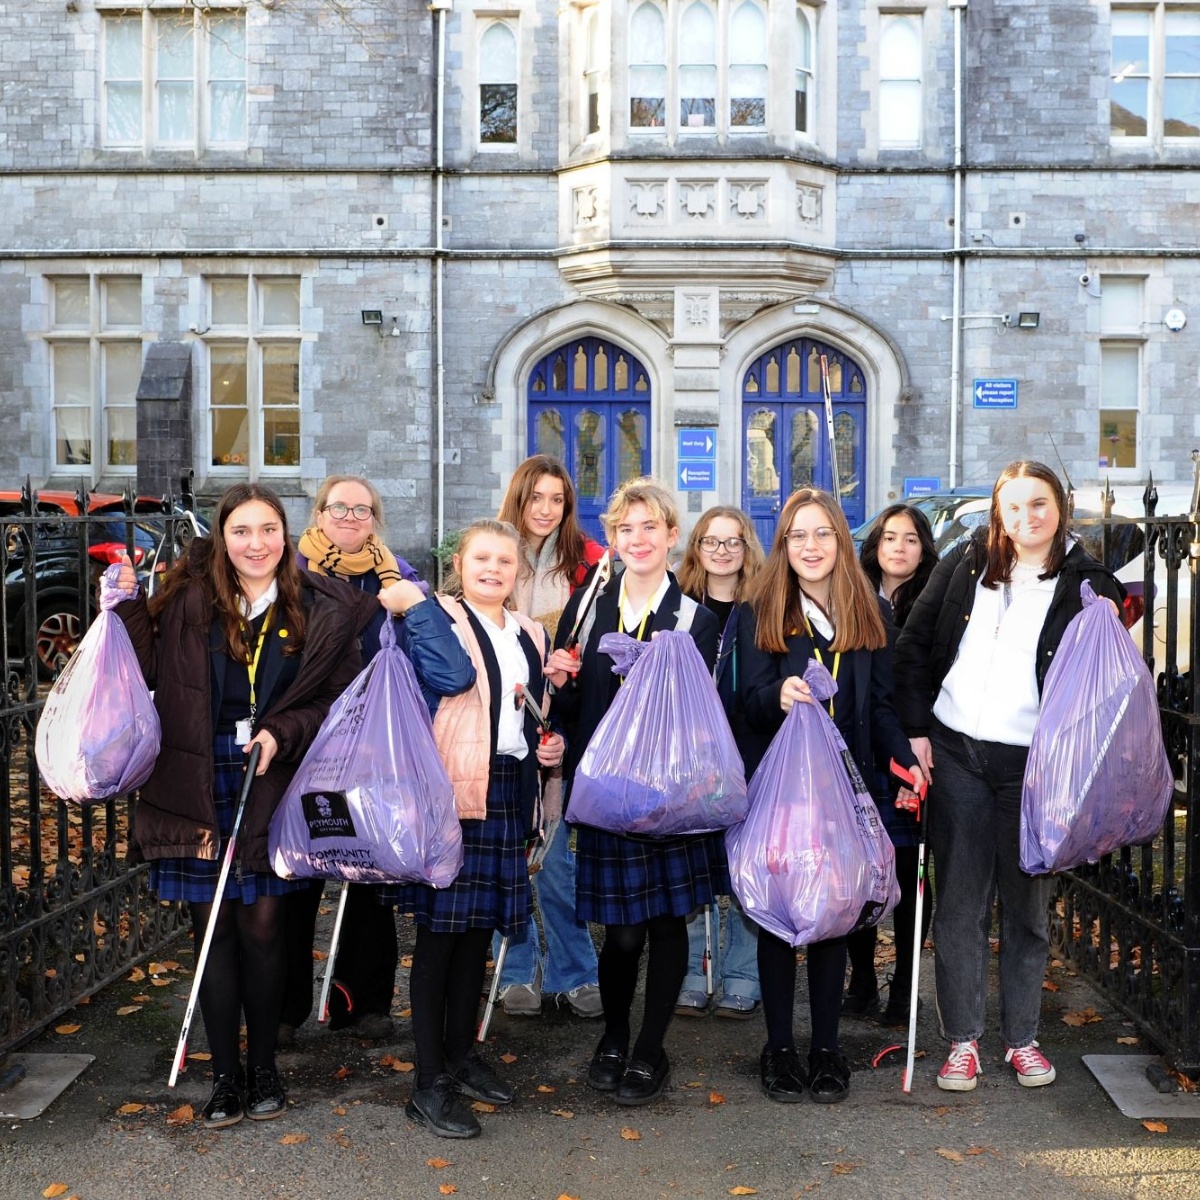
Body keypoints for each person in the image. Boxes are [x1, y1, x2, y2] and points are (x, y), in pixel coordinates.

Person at [104, 484, 379, 1129]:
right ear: (223, 538)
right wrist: (119, 608)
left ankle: (265, 1071)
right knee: (214, 936)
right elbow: (143, 666)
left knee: (264, 932)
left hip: (270, 780)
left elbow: (337, 703)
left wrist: (284, 733)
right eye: (241, 531)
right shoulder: (187, 598)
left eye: (268, 530)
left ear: (286, 536)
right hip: (195, 782)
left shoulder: (318, 607)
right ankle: (225, 1076)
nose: (256, 544)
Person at [893, 461, 1122, 1092]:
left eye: (1040, 503)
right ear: (998, 511)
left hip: (1033, 767)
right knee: (962, 904)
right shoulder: (966, 564)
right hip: (958, 751)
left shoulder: (1087, 582)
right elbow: (913, 648)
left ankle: (1022, 1039)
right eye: (1014, 505)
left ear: (1062, 506)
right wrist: (916, 730)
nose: (1028, 517)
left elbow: (1108, 678)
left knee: (1026, 909)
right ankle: (962, 1041)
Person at [738, 487, 924, 1104]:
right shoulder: (760, 609)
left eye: (822, 534)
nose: (811, 546)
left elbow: (880, 705)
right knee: (778, 919)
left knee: (832, 920)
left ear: (841, 541)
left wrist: (906, 760)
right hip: (786, 794)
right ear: (783, 545)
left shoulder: (869, 611)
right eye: (798, 535)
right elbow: (745, 704)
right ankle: (778, 1048)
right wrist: (778, 697)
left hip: (849, 792)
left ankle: (825, 1048)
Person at [545, 477, 724, 1108]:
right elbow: (568, 700)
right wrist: (561, 688)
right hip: (604, 790)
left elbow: (701, 714)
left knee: (667, 921)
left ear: (673, 537)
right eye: (625, 529)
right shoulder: (589, 605)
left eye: (651, 527)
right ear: (612, 540)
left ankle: (652, 1047)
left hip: (668, 793)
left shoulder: (696, 620)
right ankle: (614, 1037)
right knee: (620, 932)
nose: (638, 539)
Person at [384, 519, 565, 1139]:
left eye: (505, 562)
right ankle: (426, 1081)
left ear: (520, 573)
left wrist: (548, 747)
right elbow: (451, 679)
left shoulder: (533, 632)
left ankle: (461, 1057)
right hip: (450, 796)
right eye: (481, 558)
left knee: (477, 937)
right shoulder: (435, 618)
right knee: (439, 941)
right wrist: (418, 607)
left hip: (508, 791)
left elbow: (530, 710)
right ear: (459, 563)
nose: (493, 569)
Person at [280, 475, 472, 1043]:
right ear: (318, 513)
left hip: (376, 750)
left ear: (375, 520)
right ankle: (286, 1009)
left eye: (363, 509)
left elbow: (441, 669)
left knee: (371, 875)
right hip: (307, 743)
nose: (350, 516)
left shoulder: (398, 579)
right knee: (297, 877)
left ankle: (363, 1003)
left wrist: (410, 609)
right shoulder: (292, 575)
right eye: (338, 506)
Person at [490, 455, 605, 1019]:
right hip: (500, 733)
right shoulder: (494, 554)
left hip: (558, 729)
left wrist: (573, 667)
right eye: (536, 496)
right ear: (519, 497)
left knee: (557, 861)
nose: (545, 509)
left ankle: (574, 971)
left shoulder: (588, 567)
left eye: (556, 499)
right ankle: (515, 969)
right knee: (506, 858)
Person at [843, 503, 938, 1023]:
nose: (898, 547)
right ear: (875, 545)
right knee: (860, 869)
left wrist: (918, 739)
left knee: (908, 871)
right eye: (889, 538)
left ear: (923, 548)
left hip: (913, 752)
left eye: (910, 539)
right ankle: (861, 979)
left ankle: (905, 984)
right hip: (864, 753)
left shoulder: (936, 602)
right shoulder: (853, 597)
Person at [671, 506, 766, 1020]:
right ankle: (692, 970)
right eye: (711, 541)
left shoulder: (766, 606)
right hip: (691, 753)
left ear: (748, 548)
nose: (723, 551)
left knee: (743, 862)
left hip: (749, 746)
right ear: (697, 548)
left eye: (733, 541)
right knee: (693, 863)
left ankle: (742, 973)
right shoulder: (680, 606)